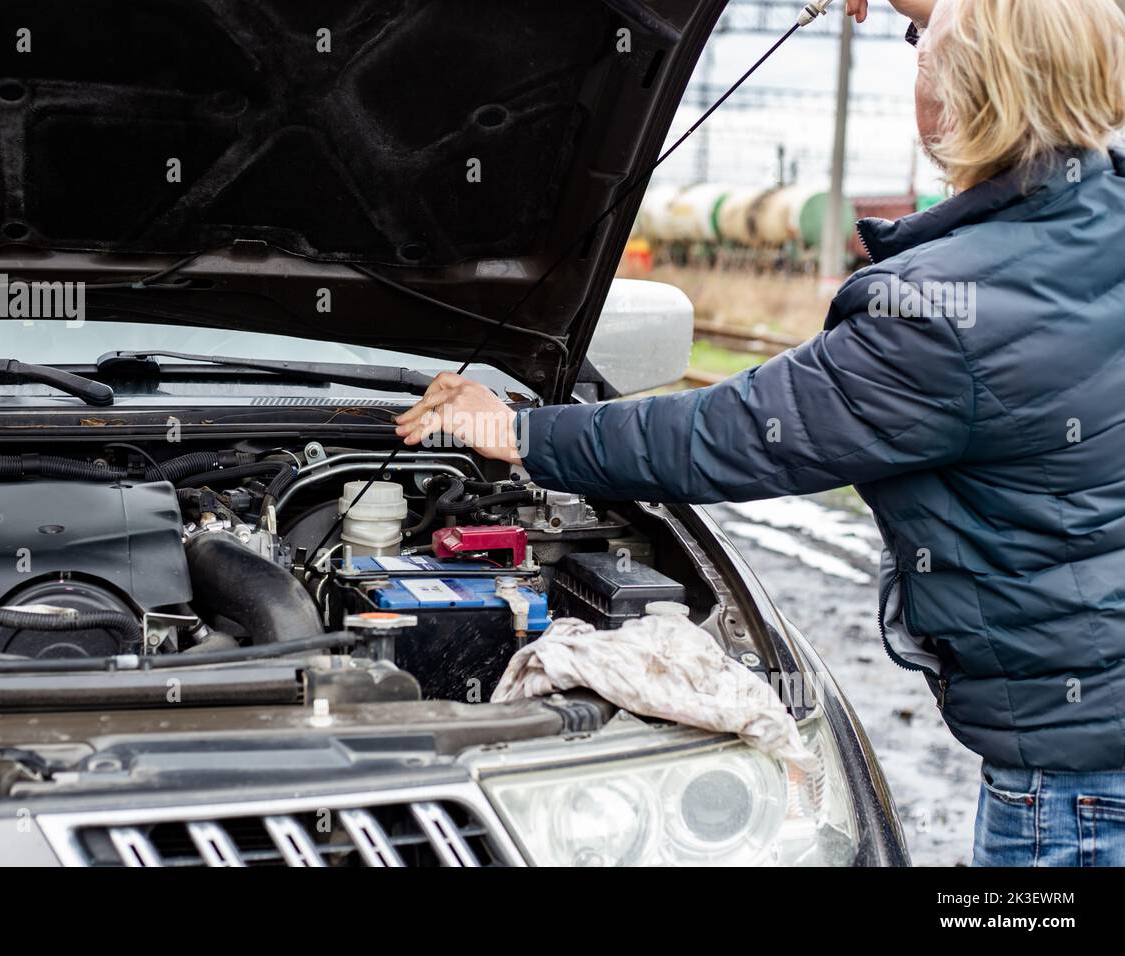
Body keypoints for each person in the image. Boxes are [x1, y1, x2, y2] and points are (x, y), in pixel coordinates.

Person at [395, 0, 1125, 867]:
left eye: (920, 42)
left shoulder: (939, 314)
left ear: (966, 93)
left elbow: (732, 434)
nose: (913, 54)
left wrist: (521, 432)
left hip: (1075, 786)